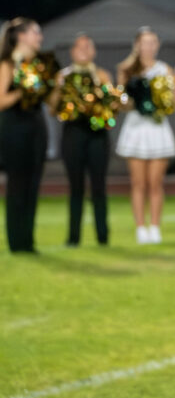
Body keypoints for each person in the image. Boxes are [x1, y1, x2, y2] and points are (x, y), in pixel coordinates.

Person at [0, 17, 57, 254]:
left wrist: (55, 85)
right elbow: (1, 100)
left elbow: (51, 103)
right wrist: (23, 88)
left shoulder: (40, 65)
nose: (40, 38)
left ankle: (28, 241)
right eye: (36, 33)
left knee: (34, 182)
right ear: (21, 36)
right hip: (14, 126)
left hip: (36, 124)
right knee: (17, 183)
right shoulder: (7, 65)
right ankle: (16, 242)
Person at [116, 26, 175, 245]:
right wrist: (132, 97)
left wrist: (162, 99)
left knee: (155, 182)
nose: (149, 47)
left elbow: (172, 104)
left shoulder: (165, 69)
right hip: (136, 127)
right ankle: (140, 227)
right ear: (137, 45)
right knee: (138, 182)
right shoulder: (126, 69)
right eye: (144, 42)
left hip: (157, 126)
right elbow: (120, 103)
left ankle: (155, 227)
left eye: (153, 42)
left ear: (157, 45)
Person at [54, 34, 118, 246]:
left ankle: (103, 236)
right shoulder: (63, 76)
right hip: (73, 134)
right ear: (72, 51)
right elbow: (54, 108)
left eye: (87, 47)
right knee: (76, 187)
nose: (83, 50)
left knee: (99, 186)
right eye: (79, 47)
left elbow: (112, 110)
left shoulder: (102, 75)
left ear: (94, 51)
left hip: (97, 135)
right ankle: (73, 237)